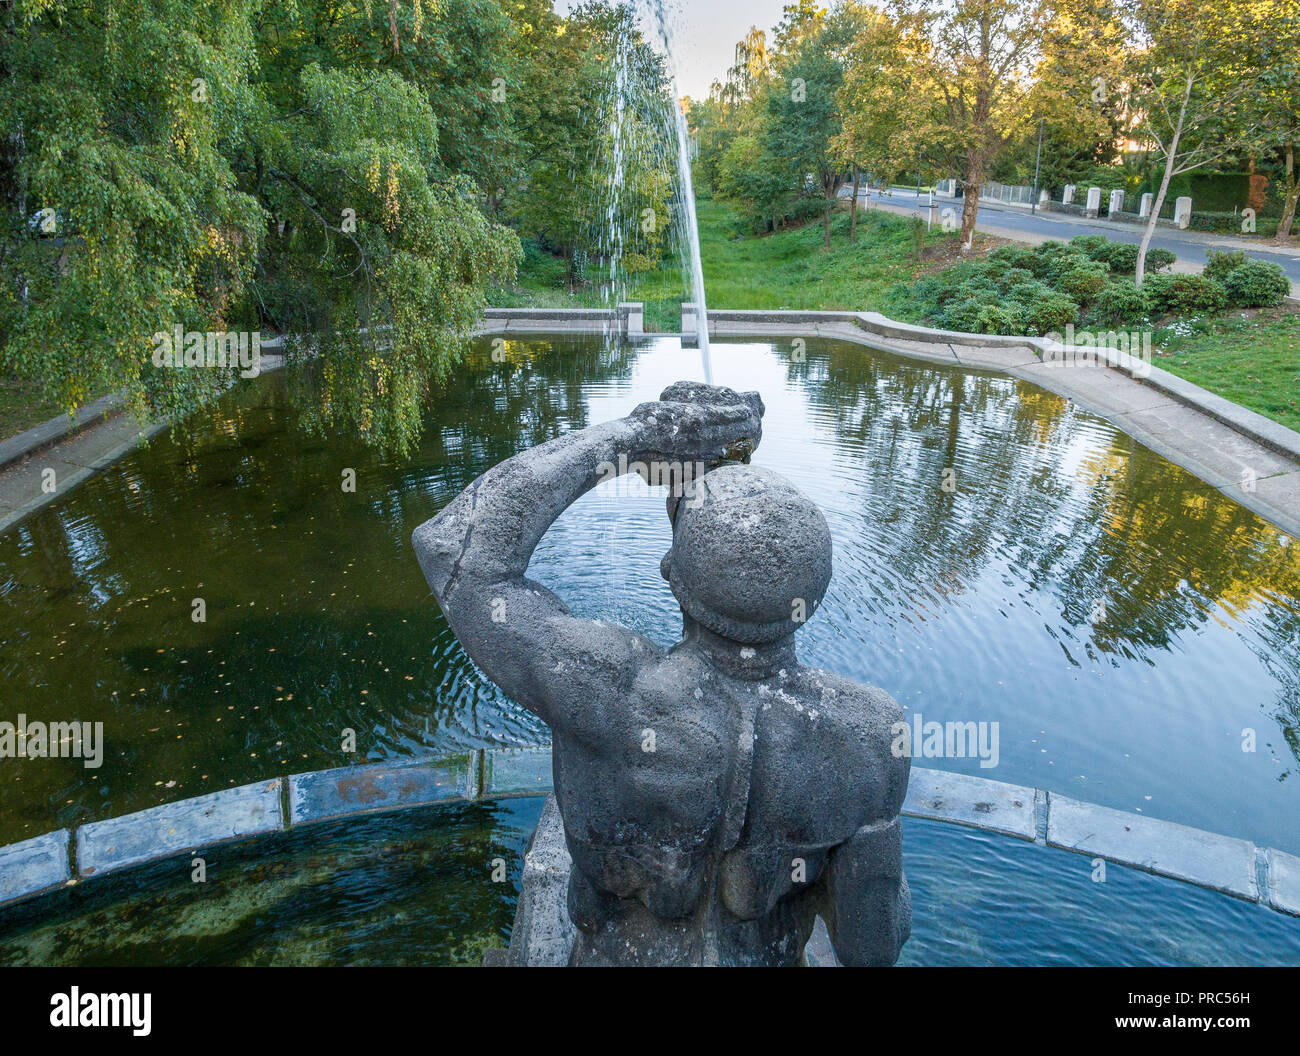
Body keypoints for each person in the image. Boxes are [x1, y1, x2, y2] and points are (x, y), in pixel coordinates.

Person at [413, 381, 910, 965]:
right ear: (813, 593)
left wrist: (638, 435)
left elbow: (457, 554)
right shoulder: (870, 735)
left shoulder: (607, 694)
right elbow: (871, 944)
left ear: (671, 574)